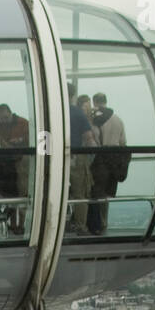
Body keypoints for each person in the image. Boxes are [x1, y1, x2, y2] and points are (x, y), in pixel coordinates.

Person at [88, 92, 128, 234]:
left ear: (95, 103)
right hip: (115, 159)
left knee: (96, 192)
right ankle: (104, 222)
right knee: (107, 193)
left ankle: (97, 223)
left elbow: (93, 139)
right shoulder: (118, 120)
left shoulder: (96, 119)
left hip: (101, 159)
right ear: (106, 101)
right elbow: (123, 142)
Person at [0, 104, 30, 232]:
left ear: (10, 113)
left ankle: (21, 225)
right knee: (12, 193)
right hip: (7, 164)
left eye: (6, 117)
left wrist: (19, 140)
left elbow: (32, 138)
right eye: (2, 118)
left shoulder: (23, 123)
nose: (4, 121)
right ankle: (13, 224)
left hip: (21, 161)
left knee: (22, 192)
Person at [66, 83, 92, 234]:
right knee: (80, 193)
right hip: (76, 156)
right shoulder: (77, 112)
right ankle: (81, 226)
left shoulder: (52, 111)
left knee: (56, 192)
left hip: (56, 159)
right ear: (73, 95)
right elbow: (88, 137)